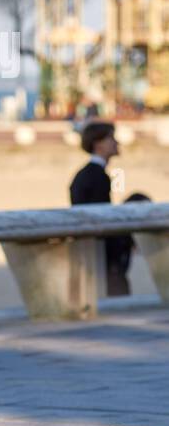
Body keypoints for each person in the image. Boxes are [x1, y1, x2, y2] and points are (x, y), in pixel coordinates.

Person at [68, 121, 134, 296]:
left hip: (92, 256)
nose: (116, 143)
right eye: (111, 138)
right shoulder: (96, 176)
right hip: (101, 259)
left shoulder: (88, 174)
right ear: (98, 144)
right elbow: (99, 219)